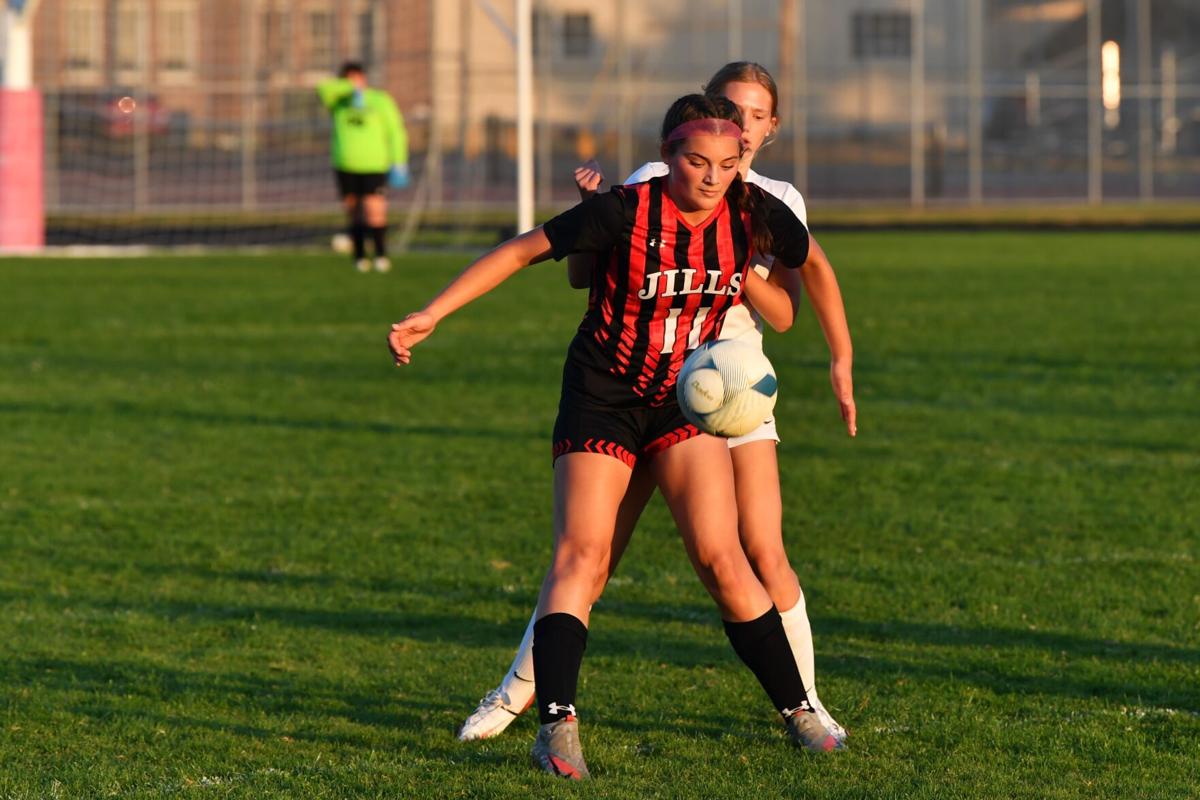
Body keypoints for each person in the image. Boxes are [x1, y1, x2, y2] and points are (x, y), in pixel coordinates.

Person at [389, 93, 850, 780]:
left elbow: (812, 264)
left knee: (723, 559)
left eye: (727, 164)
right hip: (602, 398)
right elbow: (522, 251)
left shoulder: (752, 211)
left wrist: (843, 355)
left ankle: (798, 709)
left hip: (681, 399)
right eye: (697, 161)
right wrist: (433, 312)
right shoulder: (626, 210)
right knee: (583, 554)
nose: (713, 177)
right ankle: (556, 724)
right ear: (666, 155)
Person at [317, 61, 409, 273]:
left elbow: (395, 131)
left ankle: (381, 255)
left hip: (374, 165)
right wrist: (348, 88)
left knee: (374, 209)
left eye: (357, 78)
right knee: (353, 211)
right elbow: (322, 89)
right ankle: (359, 257)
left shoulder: (379, 100)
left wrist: (399, 161)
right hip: (345, 164)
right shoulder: (339, 102)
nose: (354, 82)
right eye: (348, 79)